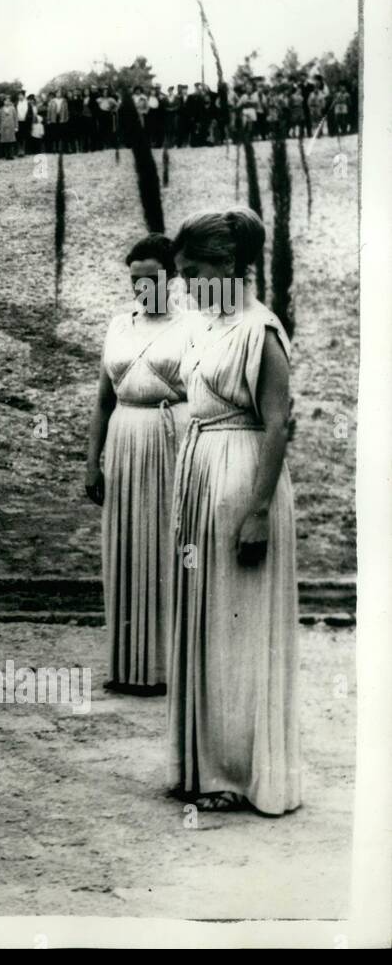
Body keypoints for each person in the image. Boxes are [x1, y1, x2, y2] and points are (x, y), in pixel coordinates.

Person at [167, 207, 299, 816]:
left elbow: (277, 424)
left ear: (227, 265)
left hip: (243, 477)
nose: (183, 284)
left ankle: (241, 773)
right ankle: (203, 763)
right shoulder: (203, 324)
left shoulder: (260, 329)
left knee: (236, 627)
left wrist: (259, 510)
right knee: (204, 620)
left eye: (192, 271)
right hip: (201, 473)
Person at [86, 234, 193, 695]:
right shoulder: (118, 325)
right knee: (127, 546)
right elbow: (103, 401)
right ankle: (127, 666)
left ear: (171, 279)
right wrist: (92, 462)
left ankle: (167, 669)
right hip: (125, 438)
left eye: (150, 280)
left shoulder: (195, 324)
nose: (141, 289)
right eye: (134, 281)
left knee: (169, 547)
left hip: (173, 437)